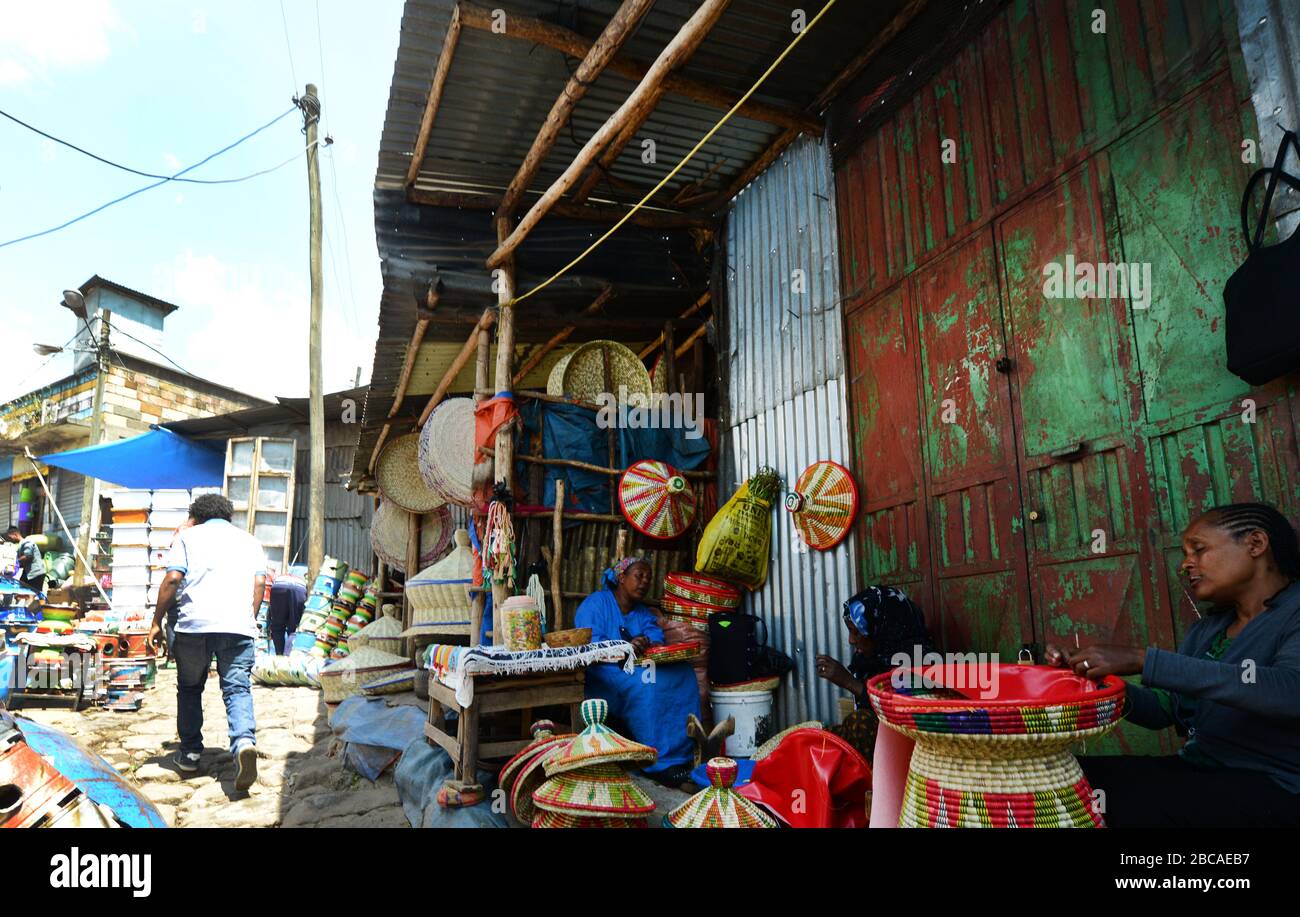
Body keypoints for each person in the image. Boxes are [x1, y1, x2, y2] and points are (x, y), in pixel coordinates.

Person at [1046, 502, 1300, 827]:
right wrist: (1092, 680)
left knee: (1122, 802)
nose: (1186, 565)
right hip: (1198, 769)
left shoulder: (1293, 611)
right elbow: (1164, 710)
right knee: (1056, 781)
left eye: (1198, 550)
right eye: (1185, 553)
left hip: (1271, 785)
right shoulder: (1209, 630)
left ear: (1255, 544)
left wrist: (1144, 659)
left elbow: (1289, 691)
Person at [148, 494, 266, 790]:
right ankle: (243, 743)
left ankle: (189, 753)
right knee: (237, 688)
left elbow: (173, 578)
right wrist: (248, 618)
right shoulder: (250, 541)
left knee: (189, 688)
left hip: (193, 627)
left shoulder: (188, 538)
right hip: (238, 627)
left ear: (196, 516)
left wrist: (156, 621)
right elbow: (260, 583)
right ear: (228, 516)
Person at [574, 557, 701, 784]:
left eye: (648, 578)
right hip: (606, 672)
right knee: (648, 687)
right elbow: (589, 642)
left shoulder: (642, 612)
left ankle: (684, 755)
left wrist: (646, 642)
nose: (644, 582)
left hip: (639, 667)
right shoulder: (596, 603)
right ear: (621, 578)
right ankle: (658, 763)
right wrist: (624, 646)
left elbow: (656, 636)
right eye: (639, 575)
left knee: (683, 674)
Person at [815, 584, 936, 759]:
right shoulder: (871, 659)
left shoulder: (920, 661)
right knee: (818, 738)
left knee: (859, 723)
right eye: (850, 631)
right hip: (883, 748)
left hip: (909, 754)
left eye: (857, 632)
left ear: (881, 627)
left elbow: (901, 714)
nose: (851, 640)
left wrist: (850, 683)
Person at [267, 570, 307, 655]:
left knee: (277, 627)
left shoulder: (277, 575)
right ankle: (288, 657)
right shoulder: (302, 576)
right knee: (294, 628)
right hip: (299, 587)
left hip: (279, 585)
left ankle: (279, 657)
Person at [3, 526, 47, 595]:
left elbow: (28, 556)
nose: (9, 539)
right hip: (28, 573)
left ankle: (42, 605)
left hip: (35, 573)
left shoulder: (27, 542)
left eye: (10, 537)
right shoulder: (20, 545)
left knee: (34, 594)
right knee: (21, 590)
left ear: (15, 534)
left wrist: (15, 563)